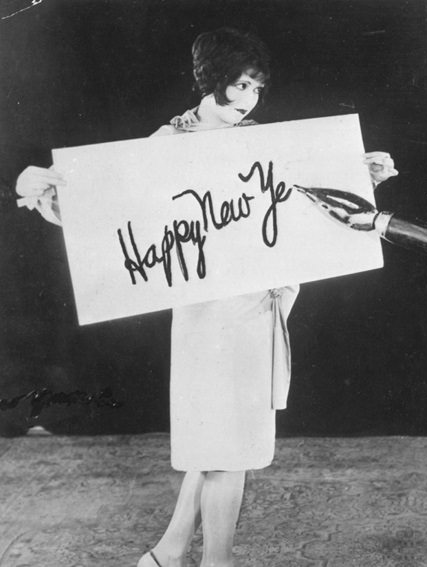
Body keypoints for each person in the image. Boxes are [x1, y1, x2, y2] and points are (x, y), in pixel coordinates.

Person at [15, 28, 398, 567]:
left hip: (260, 310)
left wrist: (362, 177)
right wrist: (44, 192)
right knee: (227, 450)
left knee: (219, 444)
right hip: (208, 318)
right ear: (211, 80)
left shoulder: (261, 141)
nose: (247, 100)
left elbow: (309, 210)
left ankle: (168, 553)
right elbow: (107, 210)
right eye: (238, 86)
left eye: (257, 89)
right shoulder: (170, 144)